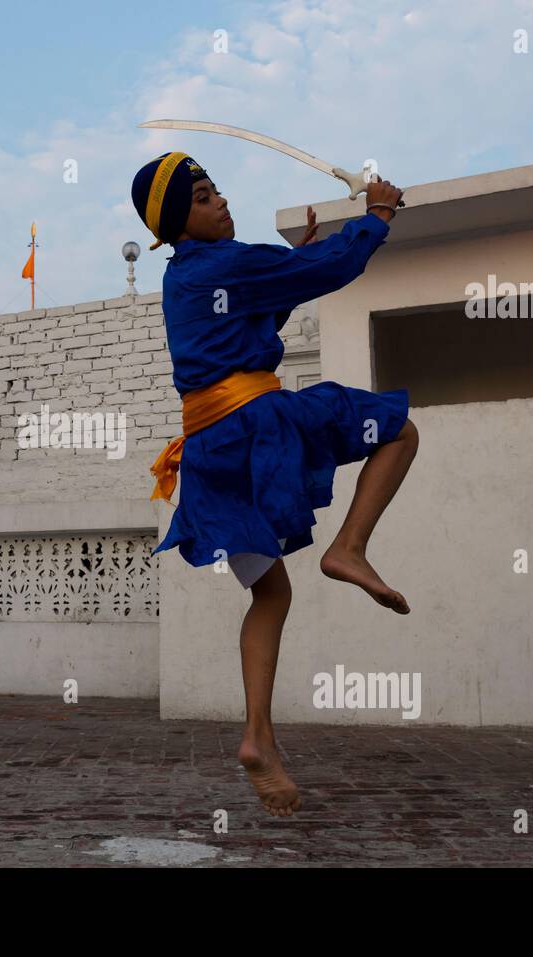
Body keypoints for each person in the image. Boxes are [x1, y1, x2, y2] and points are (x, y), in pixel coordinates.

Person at [131, 152, 420, 817]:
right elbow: (335, 270)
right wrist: (376, 213)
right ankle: (349, 546)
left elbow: (255, 314)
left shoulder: (188, 279)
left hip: (212, 455)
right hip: (257, 427)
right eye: (204, 197)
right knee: (399, 432)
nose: (221, 203)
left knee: (271, 592)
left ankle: (258, 738)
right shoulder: (227, 264)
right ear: (180, 219)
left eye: (217, 190)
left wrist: (295, 268)